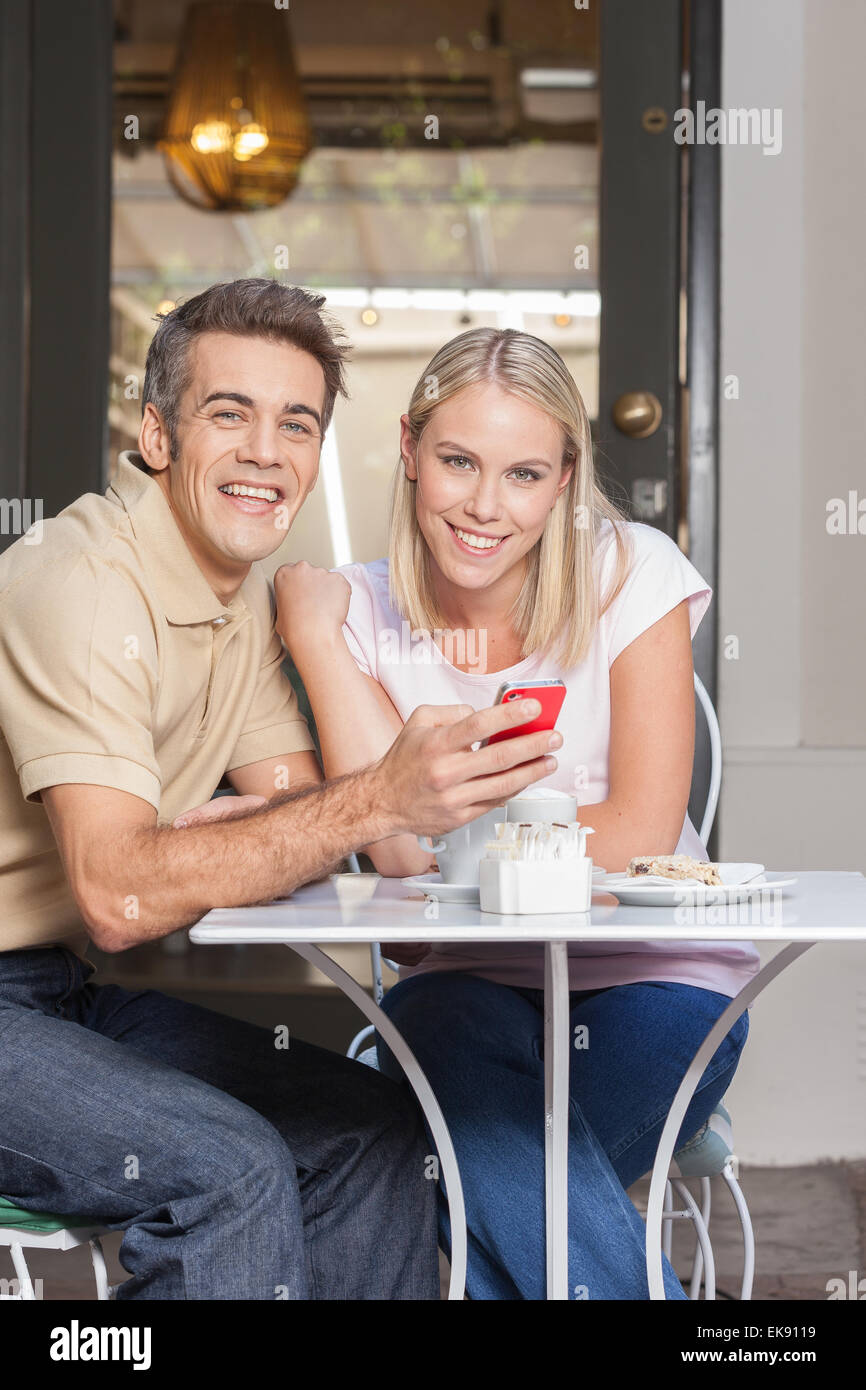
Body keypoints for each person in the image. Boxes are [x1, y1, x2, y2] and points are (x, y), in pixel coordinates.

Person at [0, 284, 560, 1301]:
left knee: (375, 1134)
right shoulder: (80, 583)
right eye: (229, 414)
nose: (265, 450)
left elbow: (291, 815)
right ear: (157, 435)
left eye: (293, 423)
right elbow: (124, 898)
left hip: (49, 992)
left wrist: (238, 835)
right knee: (231, 1168)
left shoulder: (247, 595)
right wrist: (366, 802)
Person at [276, 326, 759, 1300]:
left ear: (564, 479)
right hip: (463, 991)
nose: (485, 506)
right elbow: (400, 846)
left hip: (657, 982)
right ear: (408, 449)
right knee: (477, 1107)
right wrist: (314, 639)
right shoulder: (355, 614)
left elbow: (635, 829)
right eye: (456, 461)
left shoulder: (632, 571)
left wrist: (464, 844)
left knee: (462, 1168)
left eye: (524, 473)